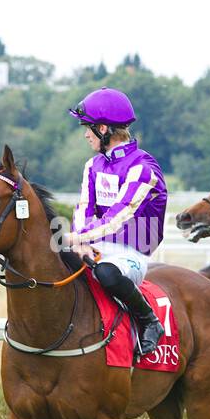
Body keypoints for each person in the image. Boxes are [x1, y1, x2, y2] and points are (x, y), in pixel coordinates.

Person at [62, 87, 167, 357]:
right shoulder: (92, 165)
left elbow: (118, 217)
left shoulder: (143, 168)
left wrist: (79, 238)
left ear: (104, 129)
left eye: (88, 128)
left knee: (106, 274)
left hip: (131, 252)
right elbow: (84, 208)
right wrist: (80, 242)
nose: (85, 134)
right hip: (97, 246)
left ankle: (149, 321)